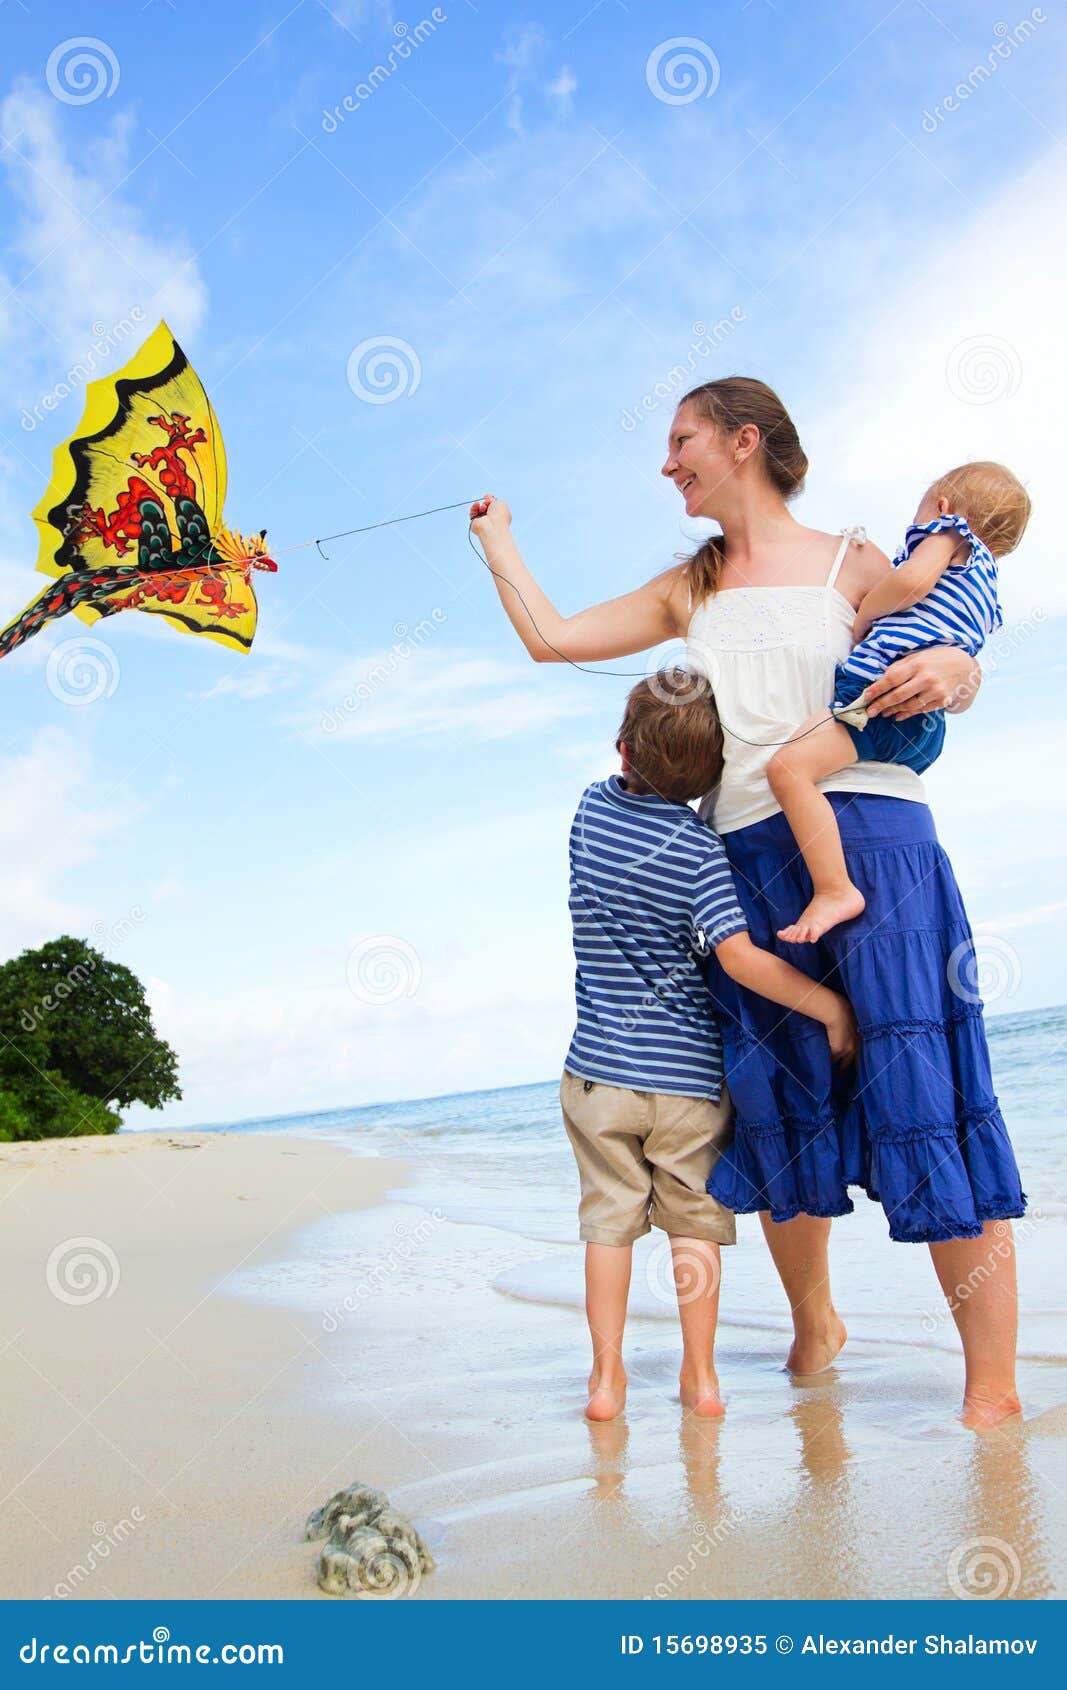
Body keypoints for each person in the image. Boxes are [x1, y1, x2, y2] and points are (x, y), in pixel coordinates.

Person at [470, 374, 1026, 1428]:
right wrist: (496, 540)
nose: (665, 462)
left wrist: (958, 669)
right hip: (747, 856)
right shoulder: (690, 587)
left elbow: (953, 639)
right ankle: (816, 1324)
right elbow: (550, 636)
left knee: (930, 1098)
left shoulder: (853, 558)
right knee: (782, 1111)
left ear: (742, 440)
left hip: (880, 838)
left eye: (680, 439)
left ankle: (989, 1391)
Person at [561, 670, 857, 1422]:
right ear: (714, 774)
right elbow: (740, 959)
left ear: (622, 749)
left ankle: (605, 1380)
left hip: (595, 1076)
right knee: (693, 1225)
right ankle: (700, 1378)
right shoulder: (700, 854)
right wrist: (828, 1006)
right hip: (688, 1082)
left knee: (608, 1225)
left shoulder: (589, 813)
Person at [767, 461, 1031, 943]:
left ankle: (835, 889)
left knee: (787, 770)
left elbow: (910, 582)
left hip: (882, 703)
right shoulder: (986, 587)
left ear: (942, 507)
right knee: (804, 744)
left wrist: (866, 613)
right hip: (922, 725)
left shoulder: (948, 534)